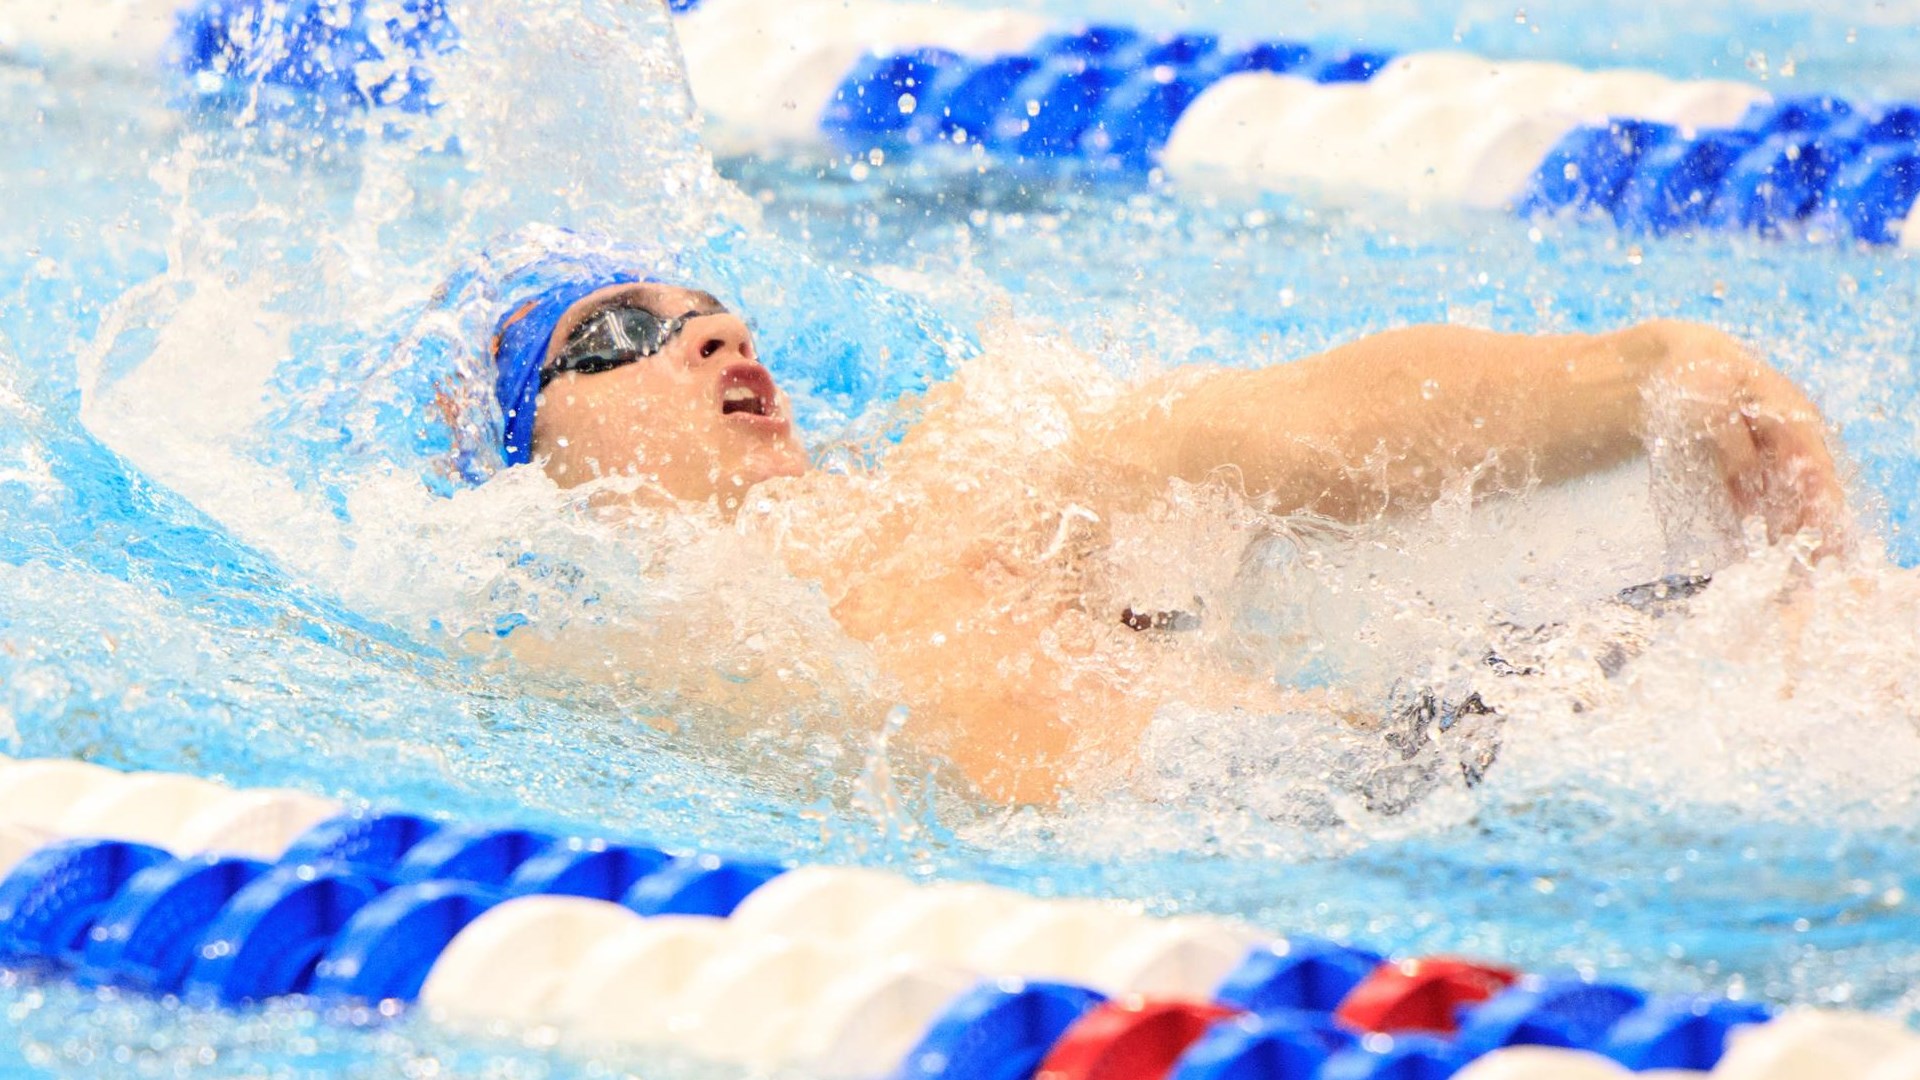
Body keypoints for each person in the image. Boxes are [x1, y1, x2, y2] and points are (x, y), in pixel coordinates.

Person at [489, 263, 1850, 804]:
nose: (714, 333)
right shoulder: (558, 650)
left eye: (717, 310)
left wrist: (1643, 381)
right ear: (528, 451)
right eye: (619, 337)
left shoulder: (950, 474)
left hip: (1416, 774)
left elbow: (1246, 435)